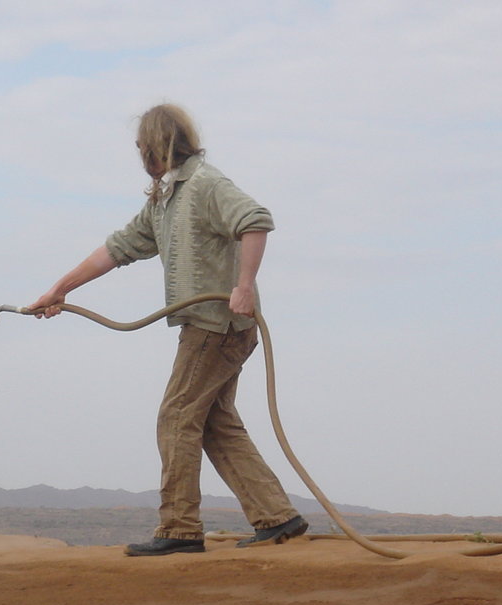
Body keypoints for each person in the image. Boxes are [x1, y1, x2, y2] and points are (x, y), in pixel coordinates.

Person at [27, 104, 308, 557]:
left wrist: (244, 286)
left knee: (176, 417)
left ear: (158, 145)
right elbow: (117, 248)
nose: (141, 155)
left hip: (215, 325)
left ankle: (180, 529)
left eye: (142, 146)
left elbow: (255, 219)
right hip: (213, 326)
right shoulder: (163, 200)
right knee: (214, 422)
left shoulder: (205, 185)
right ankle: (277, 516)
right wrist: (59, 290)